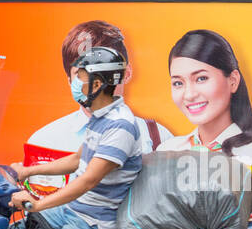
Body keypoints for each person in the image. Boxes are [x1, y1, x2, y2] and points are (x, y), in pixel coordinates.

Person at [7, 46, 143, 229]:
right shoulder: (102, 117)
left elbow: (88, 180)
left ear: (97, 84)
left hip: (92, 224)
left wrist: (40, 203)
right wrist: (29, 170)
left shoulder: (121, 125)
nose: (74, 84)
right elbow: (78, 160)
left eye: (79, 78)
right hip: (76, 211)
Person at [159, 30, 252, 229]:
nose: (189, 94)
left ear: (233, 81)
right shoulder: (167, 151)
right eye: (178, 82)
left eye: (201, 78)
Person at [23, 20, 171, 195]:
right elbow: (34, 213)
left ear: (127, 72)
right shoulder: (44, 141)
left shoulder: (158, 137)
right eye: (82, 74)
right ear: (69, 81)